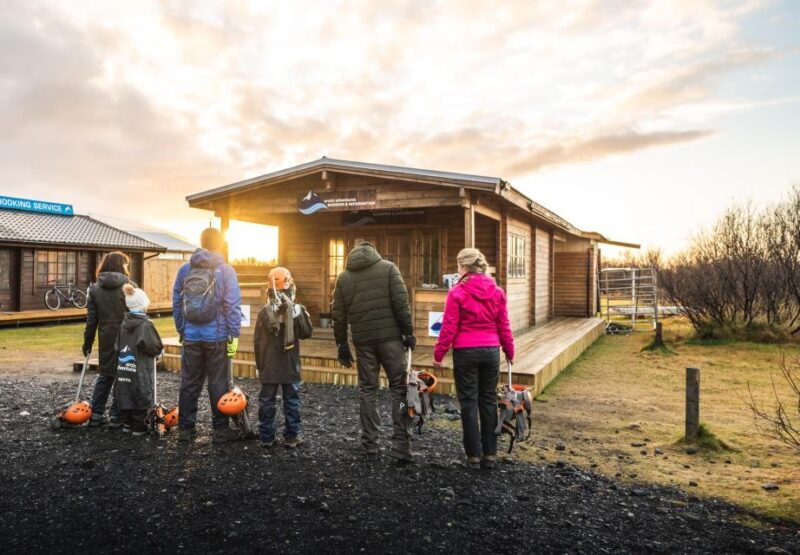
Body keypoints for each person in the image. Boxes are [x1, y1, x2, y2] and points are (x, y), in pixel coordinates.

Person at [331, 241, 416, 464]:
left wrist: (342, 346)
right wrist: (408, 333)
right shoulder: (388, 268)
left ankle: (371, 447)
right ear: (374, 253)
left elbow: (338, 316)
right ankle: (401, 447)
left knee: (368, 391)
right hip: (391, 342)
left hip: (364, 342)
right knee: (400, 390)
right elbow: (401, 303)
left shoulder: (344, 278)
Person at [433, 248, 515, 470]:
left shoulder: (457, 293)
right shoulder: (497, 291)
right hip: (490, 351)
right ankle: (490, 454)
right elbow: (503, 325)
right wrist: (509, 350)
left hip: (465, 352)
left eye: (458, 266)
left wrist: (439, 354)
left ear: (464, 267)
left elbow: (449, 327)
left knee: (468, 403)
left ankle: (473, 456)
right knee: (488, 400)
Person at [172, 227, 242, 444]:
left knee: (189, 383)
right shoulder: (226, 270)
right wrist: (234, 333)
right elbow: (232, 305)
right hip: (217, 337)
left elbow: (176, 301)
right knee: (218, 382)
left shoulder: (185, 269)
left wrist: (182, 329)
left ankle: (186, 429)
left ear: (201, 242)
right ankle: (220, 430)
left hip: (192, 336)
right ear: (220, 244)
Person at [254, 267, 313, 449]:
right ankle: (292, 436)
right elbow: (306, 333)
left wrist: (259, 365)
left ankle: (266, 438)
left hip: (269, 364)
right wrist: (299, 314)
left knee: (267, 401)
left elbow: (257, 341)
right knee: (292, 400)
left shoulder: (264, 311)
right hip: (290, 364)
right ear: (290, 286)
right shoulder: (296, 309)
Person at [83, 251, 133, 427]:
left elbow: (91, 320)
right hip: (127, 337)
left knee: (105, 375)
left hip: (105, 337)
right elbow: (136, 313)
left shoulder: (95, 289)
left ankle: (96, 414)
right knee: (123, 375)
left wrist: (87, 342)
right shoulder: (129, 286)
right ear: (122, 265)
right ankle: (116, 415)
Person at [115, 284, 164, 436]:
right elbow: (153, 346)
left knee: (126, 391)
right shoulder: (145, 325)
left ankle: (127, 423)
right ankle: (139, 426)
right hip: (140, 368)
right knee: (141, 392)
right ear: (143, 305)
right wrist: (159, 352)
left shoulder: (124, 324)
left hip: (125, 368)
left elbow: (117, 346)